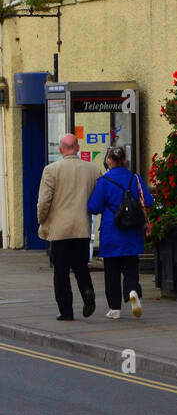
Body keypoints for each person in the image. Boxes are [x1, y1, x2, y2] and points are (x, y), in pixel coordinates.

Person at [36, 133, 99, 321]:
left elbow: (44, 201)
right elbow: (97, 198)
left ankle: (66, 311)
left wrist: (41, 219)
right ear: (78, 148)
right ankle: (87, 293)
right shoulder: (93, 170)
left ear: (61, 149)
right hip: (81, 228)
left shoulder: (51, 170)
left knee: (61, 272)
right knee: (81, 267)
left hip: (59, 230)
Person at [87, 146, 154, 319]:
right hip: (132, 231)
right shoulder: (135, 178)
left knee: (111, 272)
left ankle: (115, 309)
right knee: (131, 267)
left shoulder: (104, 181)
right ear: (125, 160)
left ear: (108, 160)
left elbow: (93, 207)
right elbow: (148, 200)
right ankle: (132, 291)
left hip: (111, 231)